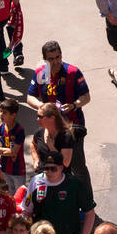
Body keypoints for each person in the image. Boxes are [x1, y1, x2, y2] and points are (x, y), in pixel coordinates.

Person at [25, 40, 92, 188]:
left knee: (77, 167)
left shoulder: (73, 72)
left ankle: (87, 201)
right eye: (51, 59)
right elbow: (30, 97)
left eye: (58, 57)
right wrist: (42, 106)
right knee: (52, 166)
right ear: (44, 59)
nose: (55, 62)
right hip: (50, 128)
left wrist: (75, 105)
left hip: (72, 128)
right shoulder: (40, 73)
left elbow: (86, 97)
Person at [26, 151, 96, 234]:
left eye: (53, 169)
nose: (49, 172)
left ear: (62, 168)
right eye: (46, 168)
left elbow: (89, 212)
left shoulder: (74, 184)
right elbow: (27, 211)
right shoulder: (35, 182)